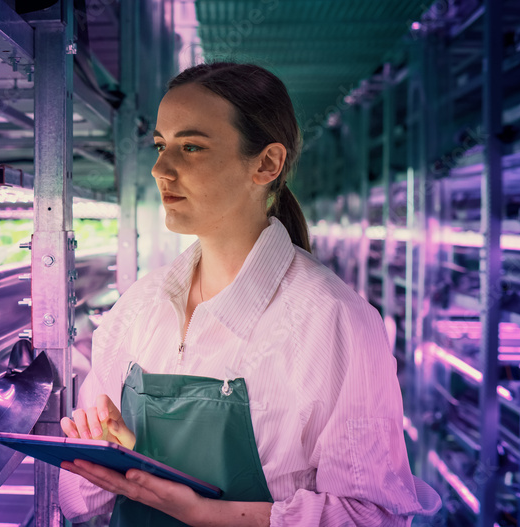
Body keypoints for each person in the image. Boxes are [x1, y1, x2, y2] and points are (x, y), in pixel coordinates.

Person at [57, 62, 442, 526]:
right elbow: (82, 506)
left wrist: (206, 514)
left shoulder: (333, 321)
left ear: (266, 164)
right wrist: (109, 457)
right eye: (160, 145)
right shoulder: (138, 309)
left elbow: (370, 517)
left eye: (191, 146)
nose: (161, 168)